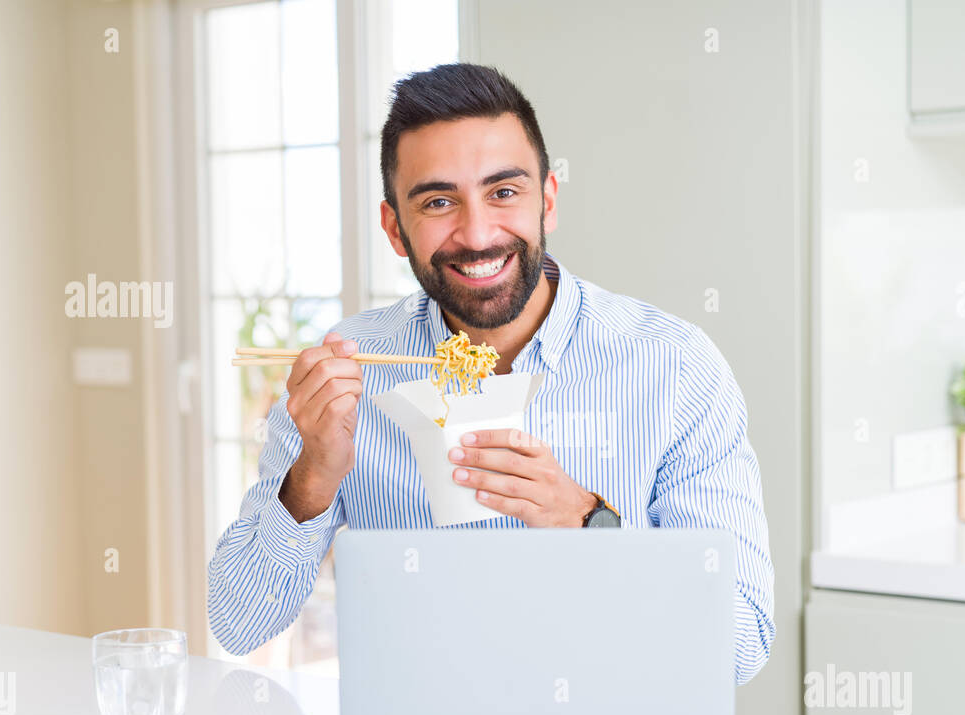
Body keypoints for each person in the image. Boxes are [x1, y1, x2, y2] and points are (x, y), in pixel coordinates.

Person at [207, 63, 775, 683]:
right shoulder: (349, 368)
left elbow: (741, 645)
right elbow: (238, 623)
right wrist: (313, 476)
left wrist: (589, 523)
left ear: (548, 200)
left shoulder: (676, 367)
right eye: (438, 201)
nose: (477, 234)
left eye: (503, 192)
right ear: (395, 228)